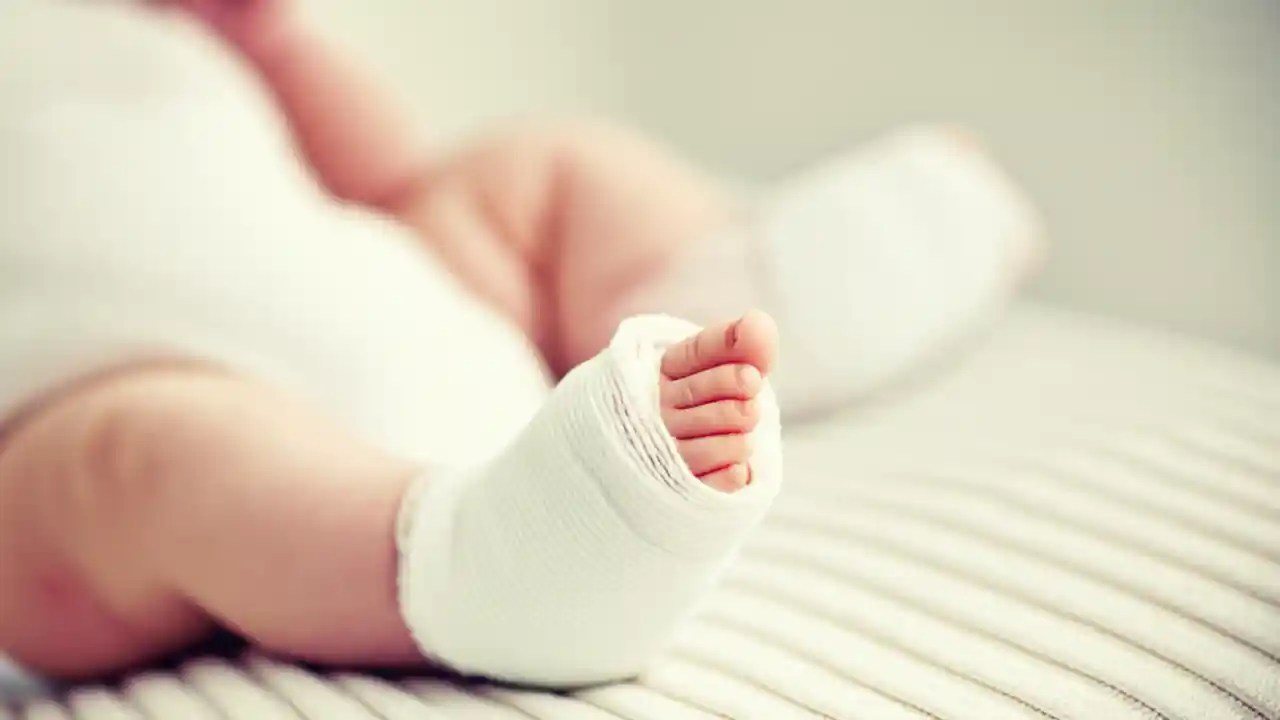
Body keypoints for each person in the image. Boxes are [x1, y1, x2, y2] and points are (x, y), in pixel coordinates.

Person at [0, 0, 1041, 686]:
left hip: (394, 298)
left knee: (525, 171)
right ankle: (485, 566)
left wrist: (269, 41)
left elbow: (383, 180)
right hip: (77, 417)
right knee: (141, 458)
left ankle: (748, 293)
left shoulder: (146, 29)